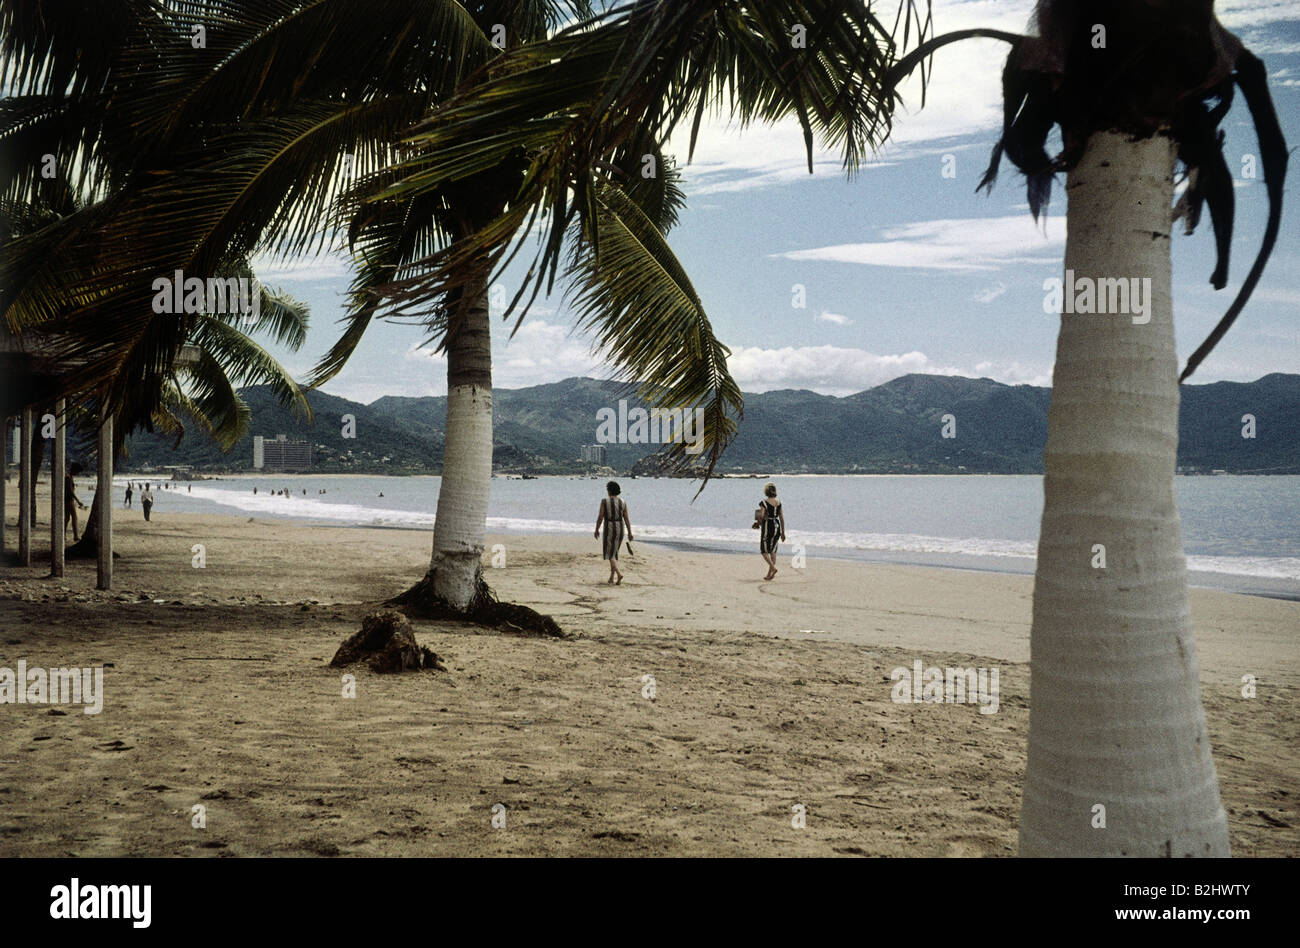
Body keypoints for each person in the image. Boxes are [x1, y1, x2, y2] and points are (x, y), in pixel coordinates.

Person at [594, 480, 633, 585]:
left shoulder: (604, 501)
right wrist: (629, 532)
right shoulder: (623, 502)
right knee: (614, 552)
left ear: (609, 491)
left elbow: (600, 517)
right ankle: (612, 578)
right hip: (620, 527)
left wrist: (597, 529)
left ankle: (619, 574)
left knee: (609, 553)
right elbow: (626, 518)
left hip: (609, 527)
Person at [755, 481, 785, 581]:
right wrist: (783, 532)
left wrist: (757, 523)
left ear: (766, 491)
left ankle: (773, 568)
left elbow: (762, 516)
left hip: (768, 526)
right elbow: (781, 517)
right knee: (773, 550)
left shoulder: (764, 502)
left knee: (764, 550)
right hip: (777, 526)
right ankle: (769, 574)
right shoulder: (779, 502)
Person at [65, 463, 88, 541]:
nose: (78, 473)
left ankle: (63, 535)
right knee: (74, 517)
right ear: (75, 470)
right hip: (69, 500)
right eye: (78, 472)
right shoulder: (69, 478)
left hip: (67, 499)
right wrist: (78, 501)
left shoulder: (68, 476)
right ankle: (75, 536)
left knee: (67, 518)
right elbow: (71, 491)